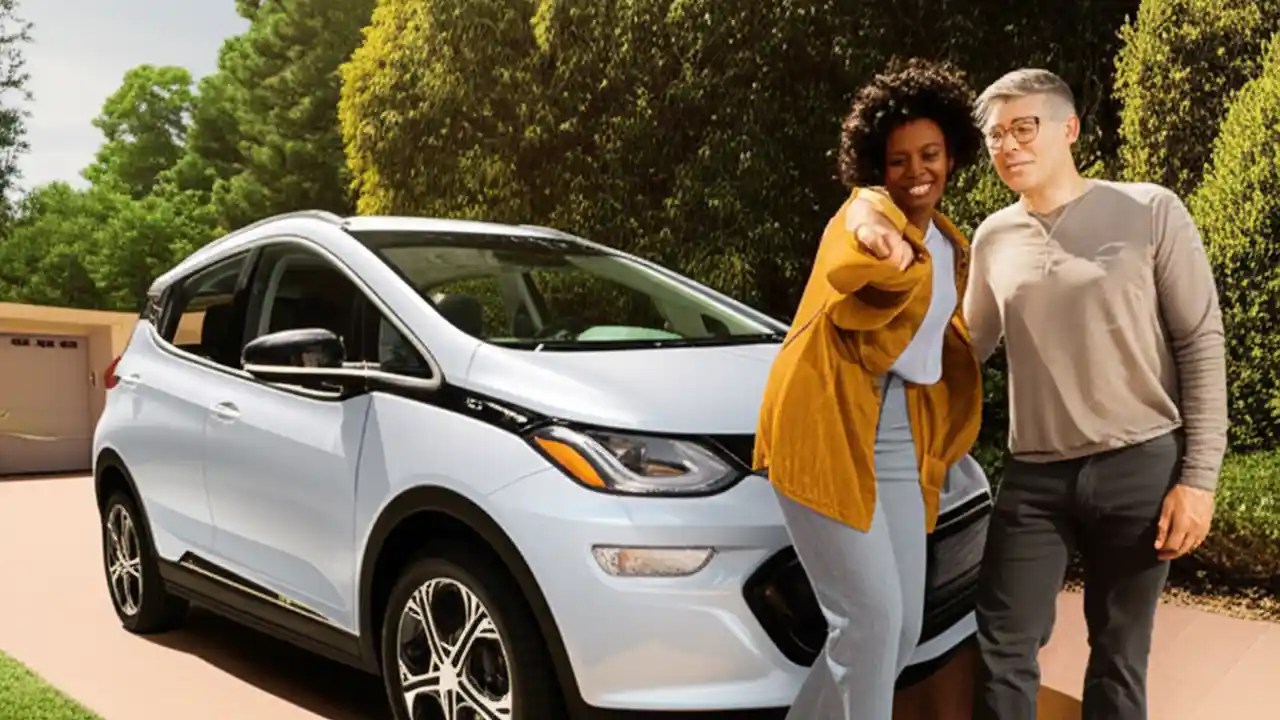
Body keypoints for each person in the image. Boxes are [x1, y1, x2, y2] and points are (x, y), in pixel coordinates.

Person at [845, 68, 1229, 720]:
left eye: (1025, 128)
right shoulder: (994, 237)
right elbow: (958, 353)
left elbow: (1200, 341)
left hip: (1139, 464)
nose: (1009, 146)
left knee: (1118, 652)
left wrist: (1199, 480)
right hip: (1036, 480)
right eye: (996, 135)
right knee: (1003, 642)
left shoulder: (1149, 210)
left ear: (1069, 128)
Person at [753, 57, 987, 720]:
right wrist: (878, 235)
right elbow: (856, 238)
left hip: (894, 435)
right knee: (869, 624)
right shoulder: (865, 212)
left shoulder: (946, 241)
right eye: (898, 161)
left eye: (931, 155)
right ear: (874, 169)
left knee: (900, 626)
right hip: (824, 422)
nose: (917, 173)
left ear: (952, 154)